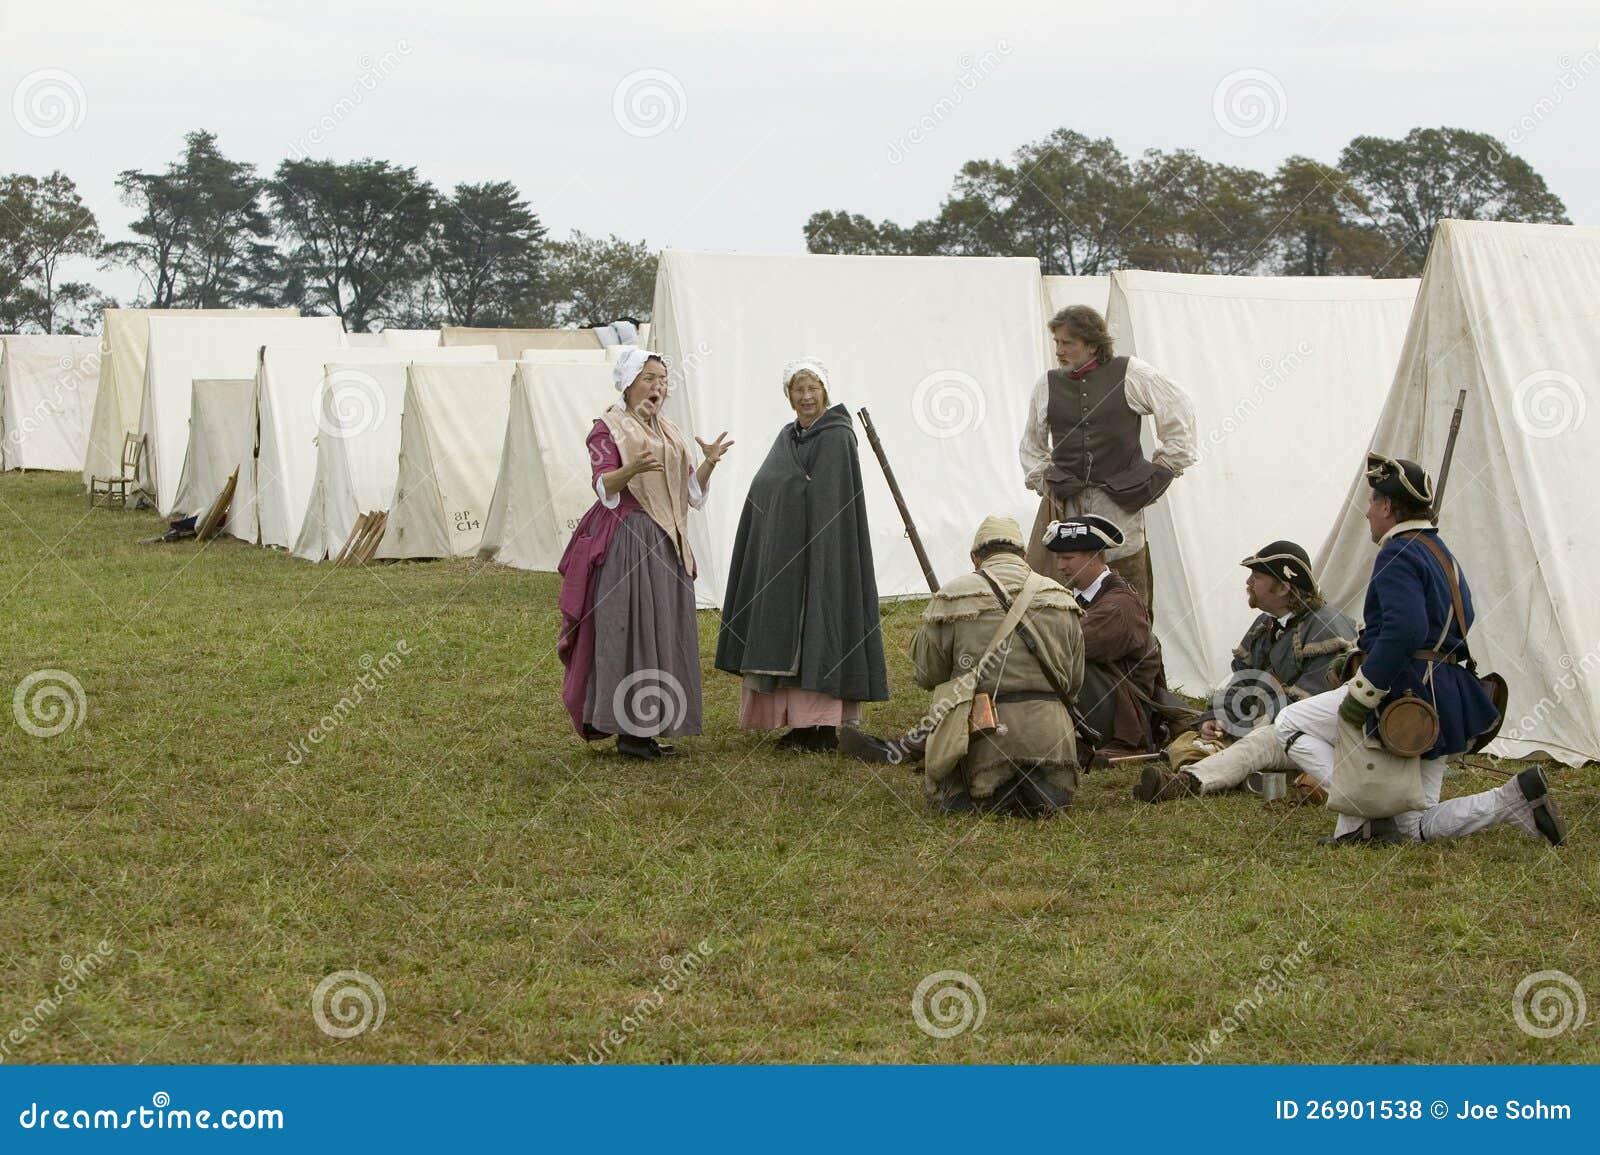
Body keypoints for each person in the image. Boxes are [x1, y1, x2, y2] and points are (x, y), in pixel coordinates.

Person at [1272, 454, 1564, 846]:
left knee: (1289, 723)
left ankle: (1364, 815)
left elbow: (1406, 630)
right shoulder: (1442, 554)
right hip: (1443, 690)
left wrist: (1363, 693)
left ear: (1388, 507)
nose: (1367, 512)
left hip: (1403, 690)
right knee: (1412, 826)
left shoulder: (1397, 552)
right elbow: (1461, 619)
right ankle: (1511, 799)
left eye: (1372, 502)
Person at [837, 516, 1085, 816]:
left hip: (980, 735)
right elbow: (1073, 683)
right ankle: (1041, 790)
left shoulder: (953, 595)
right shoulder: (1061, 597)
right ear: (1024, 555)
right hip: (1052, 741)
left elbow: (927, 674)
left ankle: (980, 789)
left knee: (964, 796)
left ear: (975, 557)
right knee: (1046, 790)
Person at [556, 348, 734, 760]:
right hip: (629, 542)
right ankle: (629, 733)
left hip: (669, 543)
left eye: (663, 380)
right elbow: (604, 487)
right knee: (631, 631)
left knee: (662, 631)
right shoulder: (607, 429)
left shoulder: (669, 432)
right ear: (628, 383)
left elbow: (692, 495)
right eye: (649, 378)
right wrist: (631, 469)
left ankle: (648, 728)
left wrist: (708, 463)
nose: (658, 387)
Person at [715, 358, 889, 751]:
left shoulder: (837, 436)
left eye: (813, 389)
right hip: (787, 554)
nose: (806, 396)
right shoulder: (788, 436)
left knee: (820, 629)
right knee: (787, 629)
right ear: (789, 396)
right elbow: (770, 483)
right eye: (798, 390)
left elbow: (829, 500)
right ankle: (798, 723)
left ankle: (821, 727)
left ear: (825, 392)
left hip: (824, 555)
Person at [1134, 540, 1356, 803]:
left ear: (1283, 587)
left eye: (1257, 576)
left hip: (1308, 735)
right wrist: (1217, 718)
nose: (1249, 582)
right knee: (1192, 741)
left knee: (1258, 741)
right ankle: (1240, 773)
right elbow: (1239, 681)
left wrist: (1244, 725)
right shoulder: (1264, 624)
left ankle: (1186, 783)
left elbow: (1308, 706)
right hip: (1261, 724)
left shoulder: (1327, 627)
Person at [1020, 305, 1197, 613]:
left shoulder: (1131, 373)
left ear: (1092, 344)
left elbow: (1177, 406)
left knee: (1126, 583)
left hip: (1120, 503)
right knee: (1067, 579)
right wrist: (1049, 483)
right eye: (1057, 342)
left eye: (1068, 343)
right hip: (1069, 503)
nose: (1059, 350)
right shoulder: (1047, 384)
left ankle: (1132, 635)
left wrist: (1164, 467)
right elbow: (1031, 445)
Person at [1044, 514, 1171, 755]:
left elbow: (1066, 642)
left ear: (1094, 557)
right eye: (1059, 558)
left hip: (1124, 720)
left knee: (1063, 658)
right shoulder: (1078, 597)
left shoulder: (1119, 606)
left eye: (1068, 558)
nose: (1060, 566)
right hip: (1107, 708)